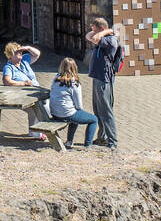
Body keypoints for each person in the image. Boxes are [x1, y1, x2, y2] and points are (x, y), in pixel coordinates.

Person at [85, 17, 121, 150]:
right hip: (97, 77)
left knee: (106, 110)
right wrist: (102, 32)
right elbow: (89, 36)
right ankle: (102, 137)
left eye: (94, 28)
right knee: (98, 110)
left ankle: (112, 141)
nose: (92, 31)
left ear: (101, 29)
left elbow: (93, 38)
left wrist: (108, 31)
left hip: (104, 80)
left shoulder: (111, 40)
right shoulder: (102, 37)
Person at [49, 57, 99, 148]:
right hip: (67, 113)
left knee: (74, 116)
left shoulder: (56, 78)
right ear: (75, 68)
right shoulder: (74, 83)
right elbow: (79, 105)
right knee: (93, 119)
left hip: (55, 113)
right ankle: (88, 144)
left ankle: (69, 141)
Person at [1, 41, 46, 140]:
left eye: (20, 51)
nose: (20, 53)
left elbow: (37, 54)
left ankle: (38, 131)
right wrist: (23, 83)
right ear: (10, 56)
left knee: (47, 107)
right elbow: (7, 81)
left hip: (36, 92)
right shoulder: (9, 67)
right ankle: (36, 133)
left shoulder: (25, 61)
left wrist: (27, 48)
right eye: (17, 52)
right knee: (37, 109)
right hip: (24, 96)